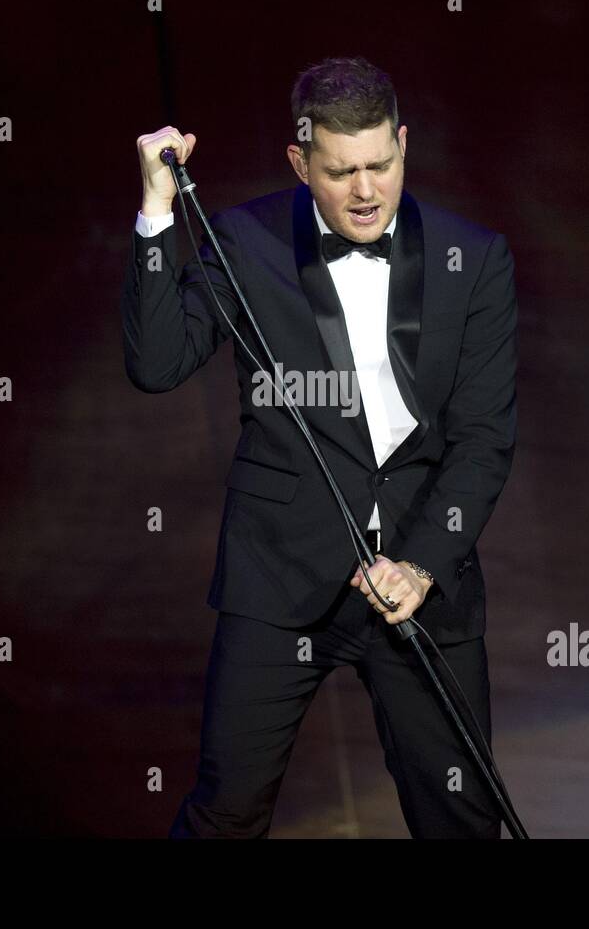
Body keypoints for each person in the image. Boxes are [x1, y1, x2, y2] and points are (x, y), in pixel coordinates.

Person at [123, 56, 518, 838]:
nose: (366, 191)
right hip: (280, 572)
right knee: (224, 811)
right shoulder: (244, 240)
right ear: (301, 162)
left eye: (381, 164)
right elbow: (156, 363)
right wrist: (158, 210)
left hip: (418, 575)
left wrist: (422, 564)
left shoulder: (472, 259)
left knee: (461, 819)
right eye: (342, 173)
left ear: (404, 144)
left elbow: (484, 438)